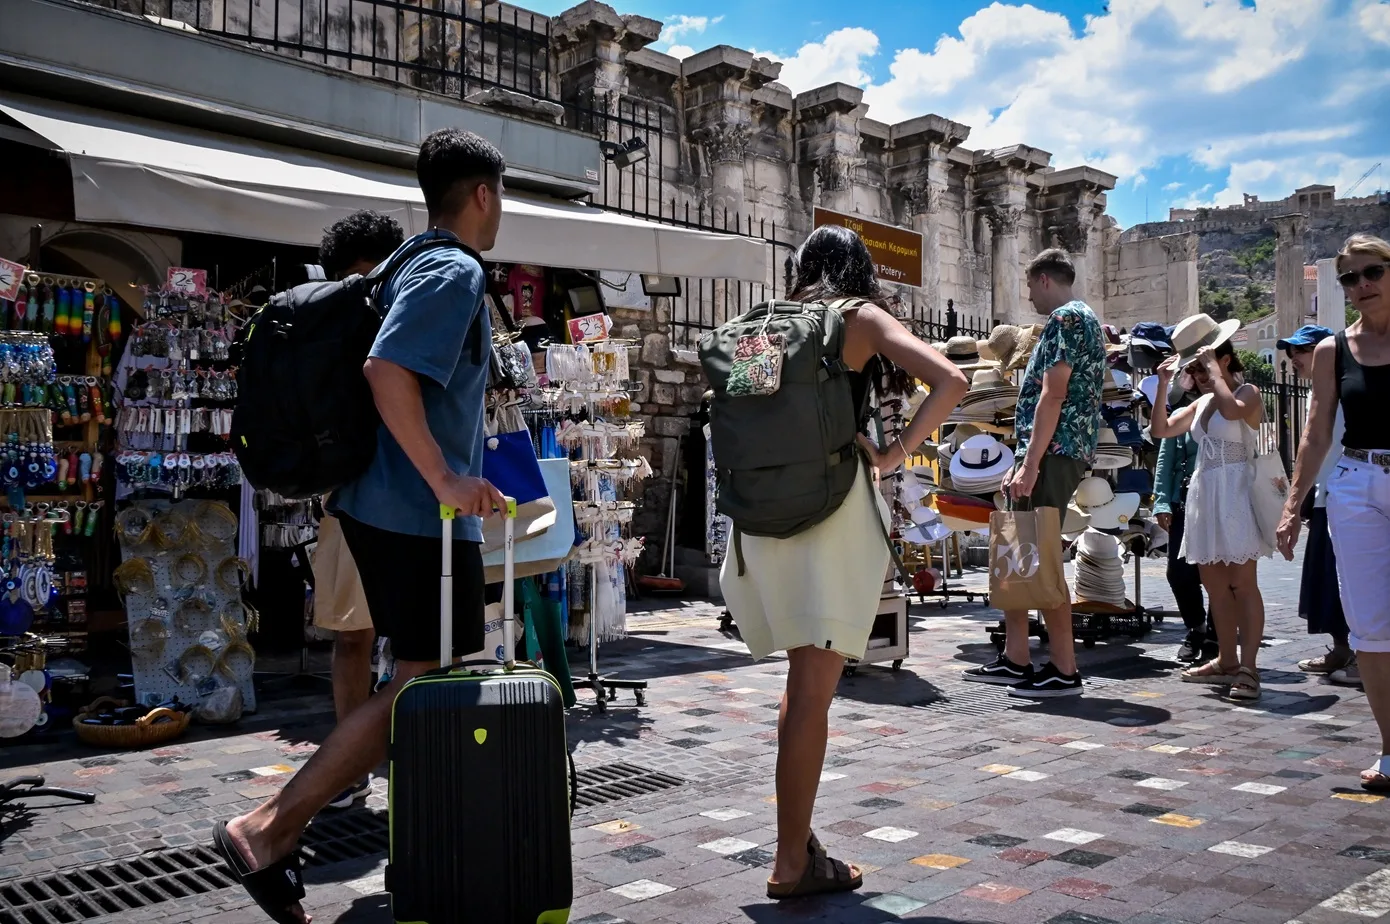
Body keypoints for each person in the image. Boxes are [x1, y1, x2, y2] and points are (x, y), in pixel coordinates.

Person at [213, 129, 508, 924]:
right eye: (500, 197)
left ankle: (400, 840)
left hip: (388, 508)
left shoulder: (407, 260)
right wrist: (446, 476)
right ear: (483, 194)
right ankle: (267, 828)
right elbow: (387, 370)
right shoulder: (450, 269)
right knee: (419, 686)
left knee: (423, 677)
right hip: (412, 515)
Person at [721, 225, 968, 900]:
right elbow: (951, 380)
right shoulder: (856, 316)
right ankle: (791, 863)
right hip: (832, 518)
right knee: (811, 694)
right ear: (860, 272)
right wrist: (893, 455)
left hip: (764, 521)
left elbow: (757, 418)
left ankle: (796, 848)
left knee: (799, 693)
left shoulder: (761, 323)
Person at [963, 248, 1104, 697]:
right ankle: (1017, 656)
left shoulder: (1065, 320)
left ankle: (1064, 667)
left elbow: (1053, 394)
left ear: (1044, 279)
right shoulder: (1085, 320)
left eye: (1028, 285)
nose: (1028, 295)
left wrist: (1028, 463)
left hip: (1052, 452)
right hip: (1052, 451)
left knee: (1039, 551)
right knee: (1022, 549)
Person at [1278, 233, 1390, 793]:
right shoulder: (1332, 350)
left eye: (1373, 272)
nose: (1362, 285)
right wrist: (1293, 505)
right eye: (1350, 277)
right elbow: (1315, 431)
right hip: (1355, 481)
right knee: (1370, 624)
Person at [310, 210, 405, 811]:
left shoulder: (408, 302)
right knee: (354, 637)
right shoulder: (334, 322)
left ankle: (380, 760)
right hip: (360, 497)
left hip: (372, 499)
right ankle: (351, 767)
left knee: (391, 643)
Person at [1151, 314, 1268, 702]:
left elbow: (1234, 411)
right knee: (1214, 585)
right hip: (1205, 494)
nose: (1200, 374)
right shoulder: (1201, 402)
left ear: (1226, 358)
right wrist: (1164, 383)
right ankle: (1226, 659)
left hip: (1235, 491)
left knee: (1242, 584)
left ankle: (1249, 667)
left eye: (1205, 365)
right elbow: (1162, 430)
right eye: (1194, 368)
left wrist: (1215, 374)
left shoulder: (1248, 392)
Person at [1277, 325, 1357, 684]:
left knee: (1354, 581)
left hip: (1352, 495)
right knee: (1327, 580)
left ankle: (1362, 656)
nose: (1295, 358)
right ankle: (1343, 650)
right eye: (1292, 352)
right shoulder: (1317, 393)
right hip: (1326, 495)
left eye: (1303, 350)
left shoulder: (1347, 389)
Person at [1152, 383, 1217, 663]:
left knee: (1220, 572)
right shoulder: (1183, 414)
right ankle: (1196, 626)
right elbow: (1165, 463)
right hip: (1187, 501)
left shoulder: (1230, 410)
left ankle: (1216, 633)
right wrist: (1162, 502)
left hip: (1221, 498)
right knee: (1178, 572)